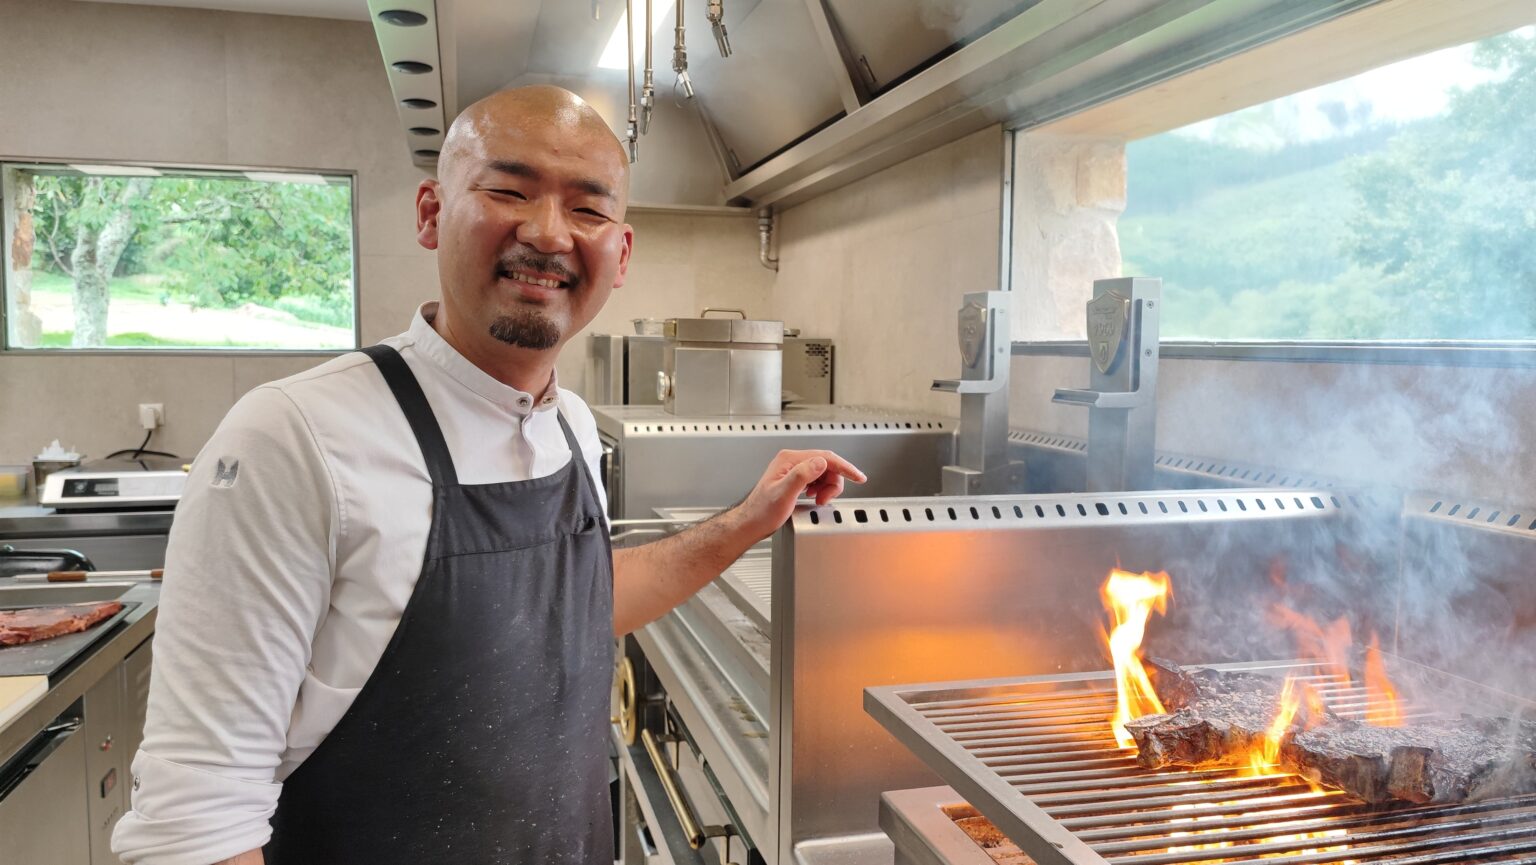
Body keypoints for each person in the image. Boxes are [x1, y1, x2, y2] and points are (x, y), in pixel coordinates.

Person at [112, 85, 864, 865]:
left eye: (588, 209)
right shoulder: (295, 438)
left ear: (623, 252)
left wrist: (749, 516)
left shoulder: (567, 424)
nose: (547, 233)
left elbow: (579, 601)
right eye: (508, 190)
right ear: (432, 213)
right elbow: (193, 824)